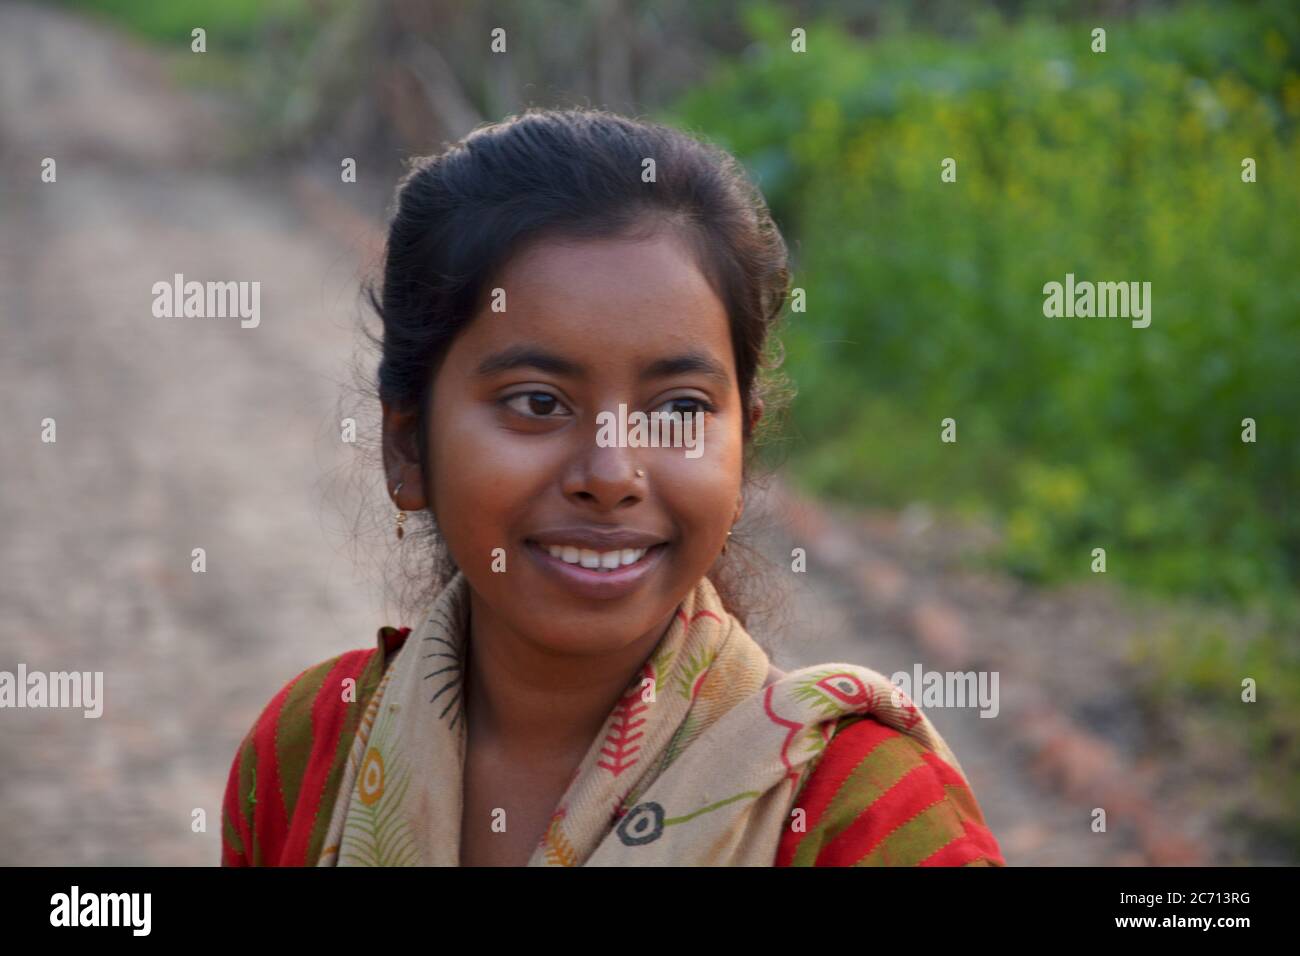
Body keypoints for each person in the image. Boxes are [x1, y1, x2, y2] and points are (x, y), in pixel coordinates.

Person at [221, 108, 1005, 867]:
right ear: (407, 447)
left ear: (741, 453)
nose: (611, 474)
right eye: (537, 402)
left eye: (679, 410)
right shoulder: (308, 755)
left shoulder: (861, 814)